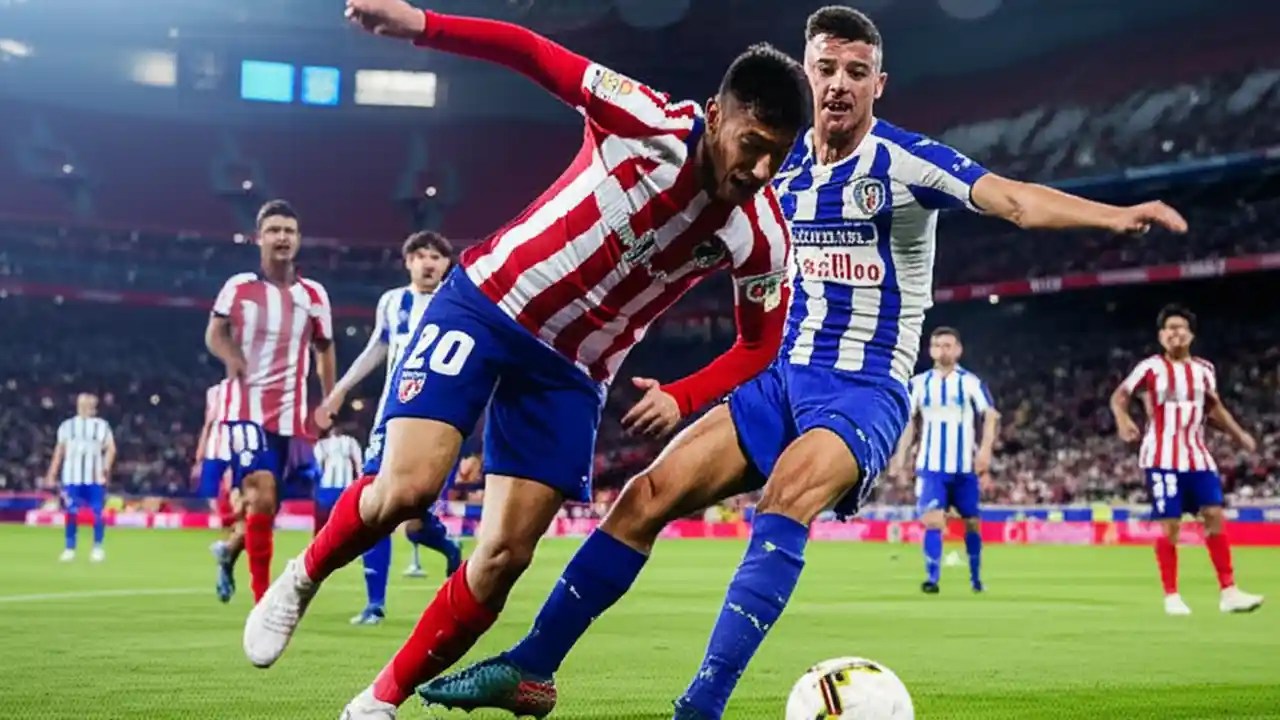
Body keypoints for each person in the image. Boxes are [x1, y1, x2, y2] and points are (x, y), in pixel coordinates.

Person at [418, 7, 1191, 719]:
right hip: (783, 380)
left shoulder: (905, 163)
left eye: (858, 73)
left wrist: (1116, 215)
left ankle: (701, 706)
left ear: (878, 85)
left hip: (865, 389)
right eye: (827, 68)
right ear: (805, 73)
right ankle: (532, 669)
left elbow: (1014, 200)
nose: (840, 85)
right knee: (645, 495)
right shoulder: (775, 167)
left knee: (784, 497)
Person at [242, 2, 806, 718]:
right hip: (488, 307)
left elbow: (761, 343)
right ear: (718, 113)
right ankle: (302, 574)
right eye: (751, 142)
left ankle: (379, 702)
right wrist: (419, 23)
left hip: (571, 375)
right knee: (407, 490)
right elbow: (531, 51)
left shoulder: (759, 237)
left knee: (505, 558)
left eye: (777, 155)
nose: (759, 168)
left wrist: (684, 397)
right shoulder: (645, 120)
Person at [205, 199, 336, 603]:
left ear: (297, 240)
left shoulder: (313, 294)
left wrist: (328, 402)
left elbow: (325, 348)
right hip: (243, 411)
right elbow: (215, 333)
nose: (282, 237)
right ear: (259, 237)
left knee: (269, 505)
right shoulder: (239, 287)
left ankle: (229, 551)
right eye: (274, 230)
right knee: (260, 493)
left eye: (289, 231)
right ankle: (262, 600)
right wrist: (233, 359)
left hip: (291, 416)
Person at [314, 231, 461, 586]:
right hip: (390, 417)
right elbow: (375, 350)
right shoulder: (392, 303)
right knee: (373, 504)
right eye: (421, 255)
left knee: (412, 524)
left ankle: (449, 548)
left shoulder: (458, 303)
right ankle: (374, 604)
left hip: (439, 420)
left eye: (436, 257)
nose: (428, 262)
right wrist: (340, 391)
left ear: (446, 265)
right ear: (408, 261)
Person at [1110, 304, 1264, 616]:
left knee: (1214, 515)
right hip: (1162, 457)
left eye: (1181, 327)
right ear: (1161, 336)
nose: (1175, 333)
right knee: (1170, 526)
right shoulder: (1150, 368)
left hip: (1198, 456)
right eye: (1169, 328)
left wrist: (1239, 435)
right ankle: (1172, 595)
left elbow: (1213, 408)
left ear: (1191, 334)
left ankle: (1229, 592)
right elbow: (1120, 395)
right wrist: (1122, 420)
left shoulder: (1205, 370)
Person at [889, 326, 999, 594]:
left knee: (972, 522)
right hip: (931, 467)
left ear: (958, 349)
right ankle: (932, 578)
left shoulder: (970, 382)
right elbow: (909, 425)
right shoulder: (919, 383)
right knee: (933, 520)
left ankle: (975, 579)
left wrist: (985, 451)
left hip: (964, 468)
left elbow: (992, 415)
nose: (942, 350)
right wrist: (900, 458)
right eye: (938, 345)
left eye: (948, 345)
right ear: (930, 350)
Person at [45, 393, 115, 563]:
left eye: (89, 404)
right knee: (71, 512)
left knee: (97, 512)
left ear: (94, 407)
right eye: (82, 404)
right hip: (72, 477)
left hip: (95, 477)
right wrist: (51, 474)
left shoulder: (101, 426)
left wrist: (105, 468)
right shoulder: (67, 426)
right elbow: (59, 451)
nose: (85, 407)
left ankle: (97, 547)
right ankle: (70, 548)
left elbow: (111, 448)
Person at [198, 380, 242, 602]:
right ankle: (225, 563)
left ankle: (225, 557)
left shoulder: (256, 389)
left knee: (246, 522)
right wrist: (200, 454)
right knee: (238, 521)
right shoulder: (215, 392)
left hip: (244, 456)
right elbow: (208, 423)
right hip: (220, 457)